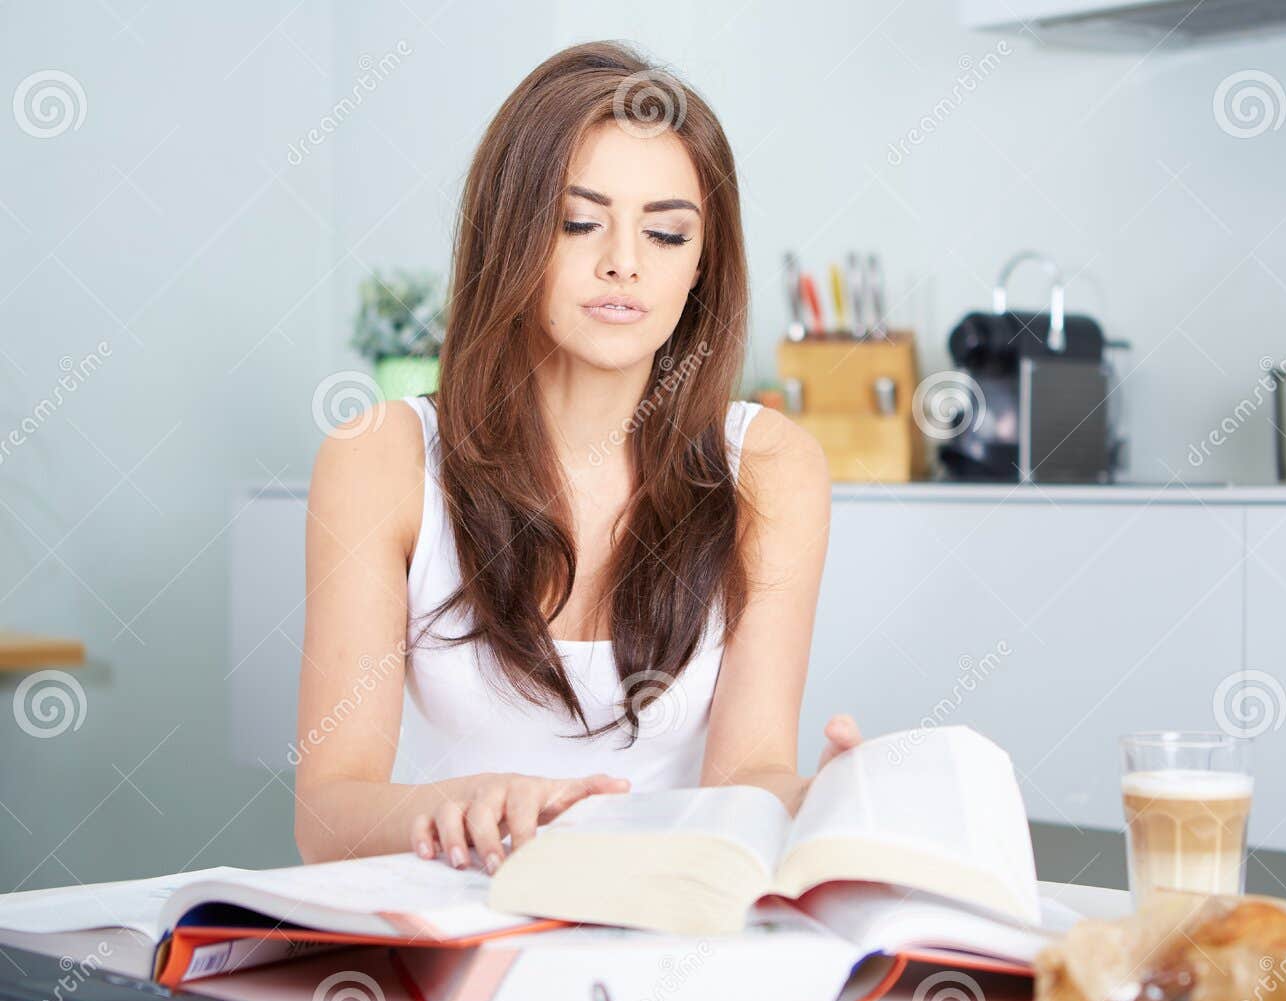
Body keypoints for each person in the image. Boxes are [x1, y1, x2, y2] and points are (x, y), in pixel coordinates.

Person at [293, 42, 861, 873]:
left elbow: (746, 778)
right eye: (578, 221)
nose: (624, 262)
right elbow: (328, 813)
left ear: (703, 264)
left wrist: (819, 802)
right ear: (510, 232)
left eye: (667, 233)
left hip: (665, 926)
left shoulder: (770, 468)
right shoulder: (380, 459)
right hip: (450, 925)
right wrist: (454, 808)